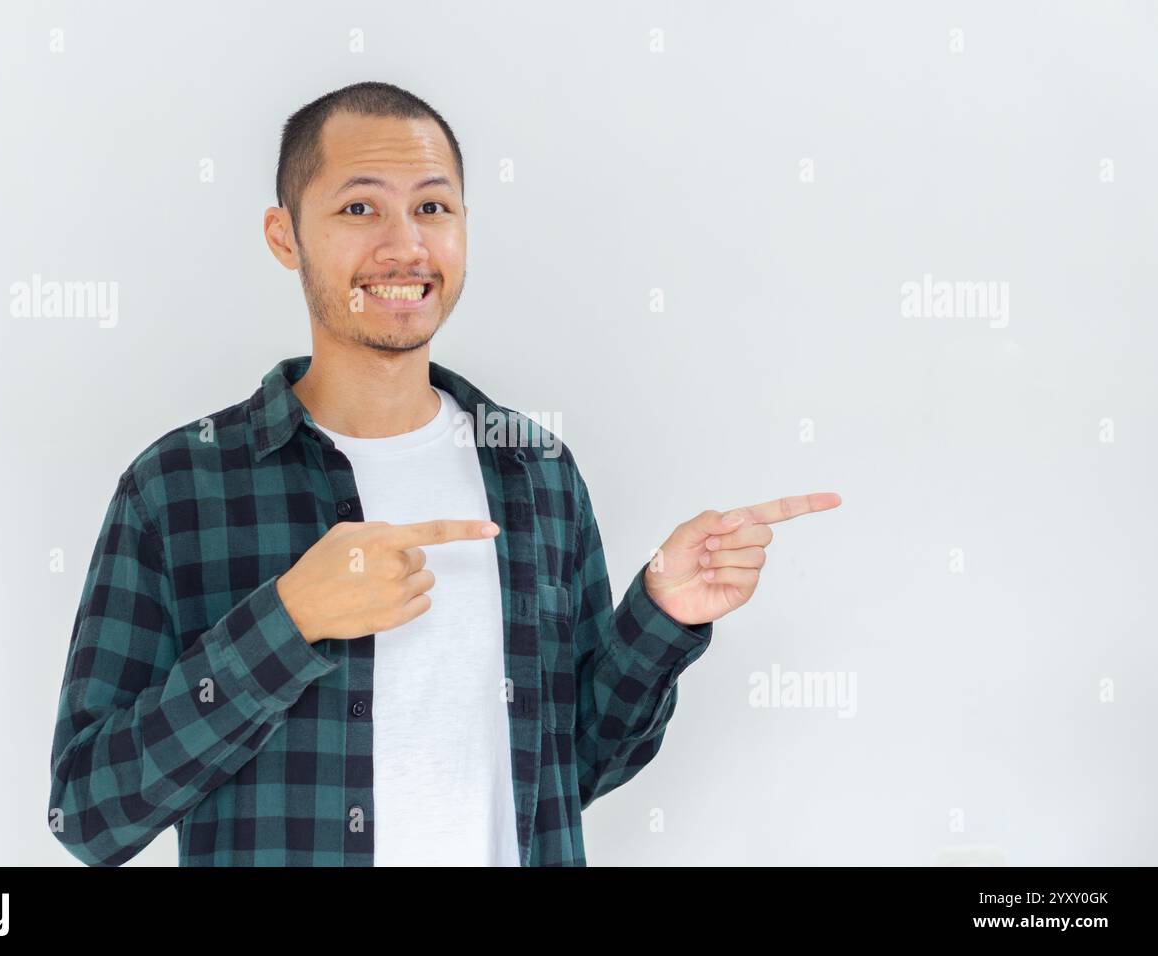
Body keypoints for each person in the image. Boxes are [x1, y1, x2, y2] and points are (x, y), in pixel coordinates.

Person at [46, 80, 841, 867]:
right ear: (285, 236)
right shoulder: (180, 486)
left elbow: (570, 767)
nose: (406, 246)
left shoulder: (538, 473)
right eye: (360, 208)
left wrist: (663, 611)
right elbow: (87, 814)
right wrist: (287, 622)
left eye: (433, 207)